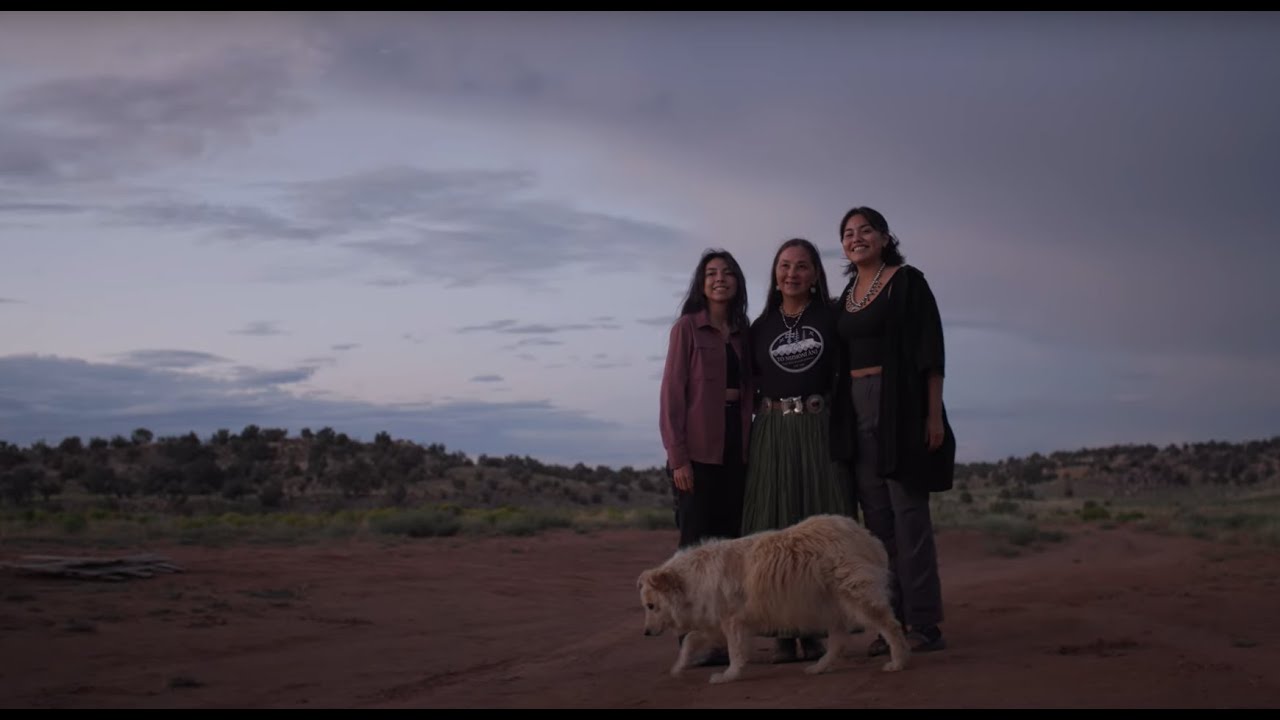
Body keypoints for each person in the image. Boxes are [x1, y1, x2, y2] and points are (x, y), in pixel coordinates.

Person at [830, 206, 956, 657]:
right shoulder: (846, 295)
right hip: (854, 409)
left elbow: (930, 350)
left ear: (884, 238)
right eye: (848, 233)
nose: (856, 237)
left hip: (900, 406)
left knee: (910, 518)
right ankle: (892, 624)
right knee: (878, 524)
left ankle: (924, 622)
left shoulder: (907, 282)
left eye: (866, 230)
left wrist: (933, 413)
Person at [740, 237, 856, 663]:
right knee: (775, 531)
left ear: (814, 275)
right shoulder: (760, 326)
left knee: (819, 529)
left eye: (802, 266)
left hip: (819, 428)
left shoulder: (832, 318)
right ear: (775, 272)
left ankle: (817, 628)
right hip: (772, 431)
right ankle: (782, 632)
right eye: (785, 265)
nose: (792, 273)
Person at [659, 248, 754, 550]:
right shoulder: (686, 328)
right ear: (701, 283)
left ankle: (723, 600)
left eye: (727, 273)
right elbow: (672, 396)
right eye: (711, 273)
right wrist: (678, 460)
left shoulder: (745, 332)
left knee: (731, 540)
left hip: (738, 447)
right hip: (698, 452)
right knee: (694, 541)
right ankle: (681, 599)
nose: (719, 279)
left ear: (737, 281)